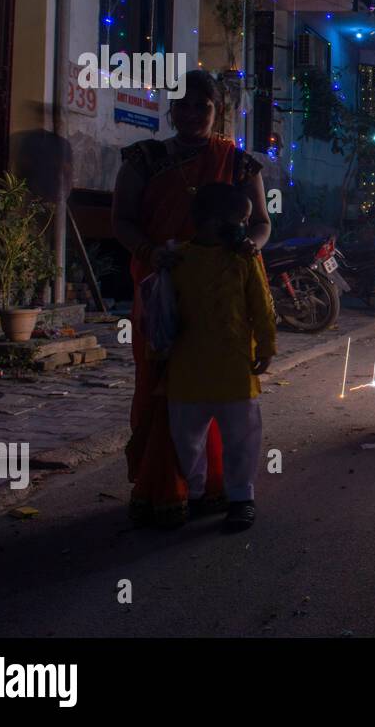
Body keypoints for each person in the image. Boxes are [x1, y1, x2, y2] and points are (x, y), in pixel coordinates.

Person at [112, 70, 271, 527]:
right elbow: (122, 220)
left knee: (228, 397)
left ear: (216, 111)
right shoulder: (144, 159)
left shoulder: (239, 164)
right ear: (171, 110)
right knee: (163, 386)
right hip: (163, 289)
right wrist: (150, 253)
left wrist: (249, 247)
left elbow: (260, 222)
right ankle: (166, 486)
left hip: (223, 294)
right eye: (183, 105)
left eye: (202, 106)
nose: (192, 114)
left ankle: (227, 490)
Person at [166, 184, 276, 532]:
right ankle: (196, 494)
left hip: (235, 366)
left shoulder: (244, 258)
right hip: (187, 366)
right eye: (240, 220)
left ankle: (241, 498)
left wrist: (267, 347)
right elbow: (162, 311)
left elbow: (262, 305)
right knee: (186, 438)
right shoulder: (177, 259)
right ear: (213, 222)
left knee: (242, 437)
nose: (246, 227)